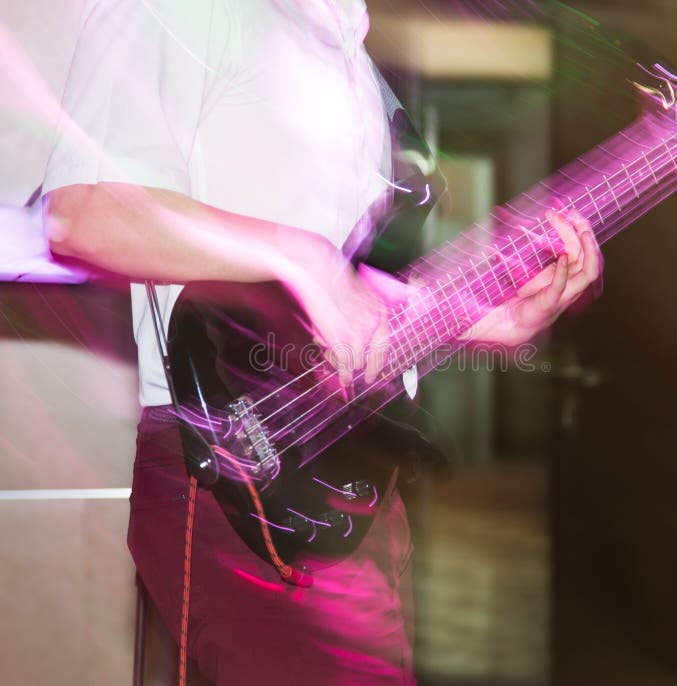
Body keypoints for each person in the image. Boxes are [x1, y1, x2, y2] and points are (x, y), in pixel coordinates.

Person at [41, 1, 603, 684]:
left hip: (354, 478)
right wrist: (301, 258)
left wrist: (483, 320)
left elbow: (342, 311)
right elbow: (84, 214)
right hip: (234, 470)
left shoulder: (351, 55)